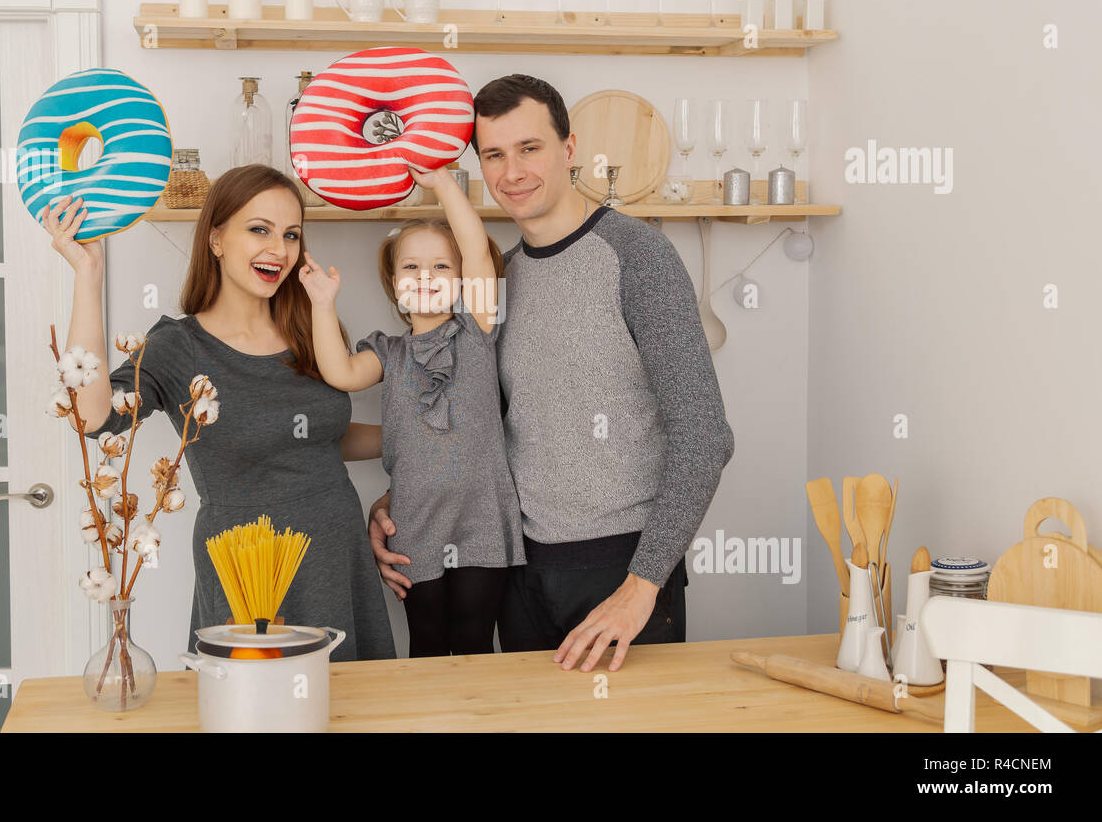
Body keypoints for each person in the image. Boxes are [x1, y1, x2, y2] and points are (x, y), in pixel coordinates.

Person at [368, 74, 735, 672]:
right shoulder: (497, 284)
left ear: (569, 150)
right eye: (493, 154)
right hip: (515, 565)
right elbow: (476, 424)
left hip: (620, 568)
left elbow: (705, 437)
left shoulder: (637, 256)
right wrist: (398, 502)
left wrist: (642, 586)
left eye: (529, 148)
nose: (512, 171)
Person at [43, 163, 396, 661]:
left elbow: (318, 439)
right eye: (259, 230)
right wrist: (88, 274)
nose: (279, 249)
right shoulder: (178, 347)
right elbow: (93, 415)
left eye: (291, 234)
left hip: (337, 555)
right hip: (244, 567)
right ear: (216, 240)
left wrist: (417, 440)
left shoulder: (310, 328)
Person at [297, 167, 524, 656]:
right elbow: (339, 373)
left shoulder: (479, 333)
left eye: (442, 267)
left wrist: (441, 183)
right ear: (393, 282)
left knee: (473, 641)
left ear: (462, 278)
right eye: (412, 268)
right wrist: (320, 304)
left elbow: (480, 254)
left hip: (483, 514)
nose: (426, 277)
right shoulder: (388, 353)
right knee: (424, 641)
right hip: (414, 520)